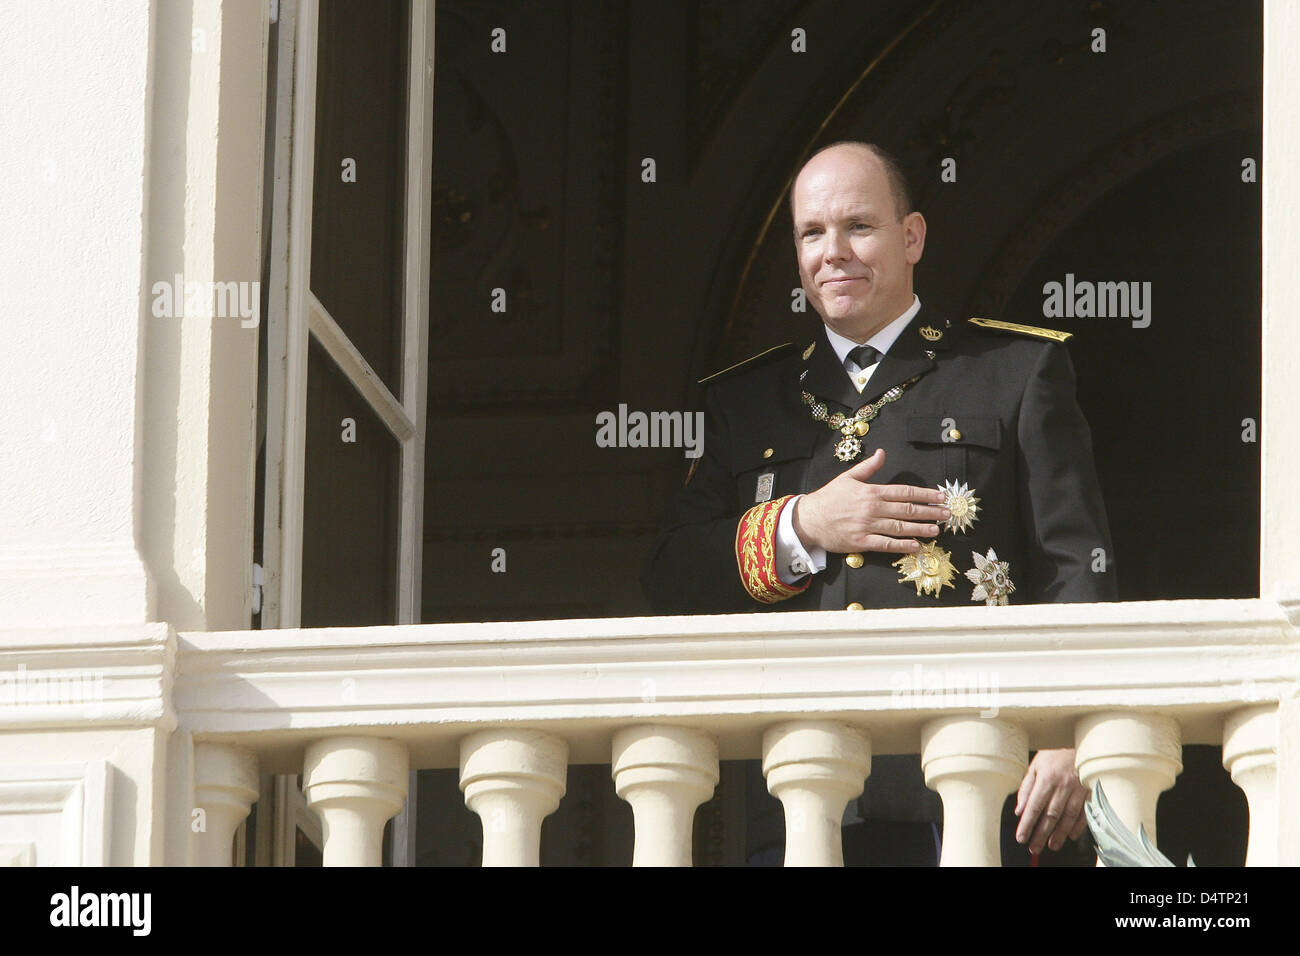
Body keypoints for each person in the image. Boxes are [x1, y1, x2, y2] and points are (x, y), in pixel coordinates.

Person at [642, 140, 1117, 863]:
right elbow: (671, 572)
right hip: (795, 793)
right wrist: (802, 525)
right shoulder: (745, 402)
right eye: (812, 233)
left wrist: (1068, 727)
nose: (833, 251)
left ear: (912, 236)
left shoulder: (1013, 371)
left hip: (976, 787)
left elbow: (1075, 564)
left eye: (858, 226)